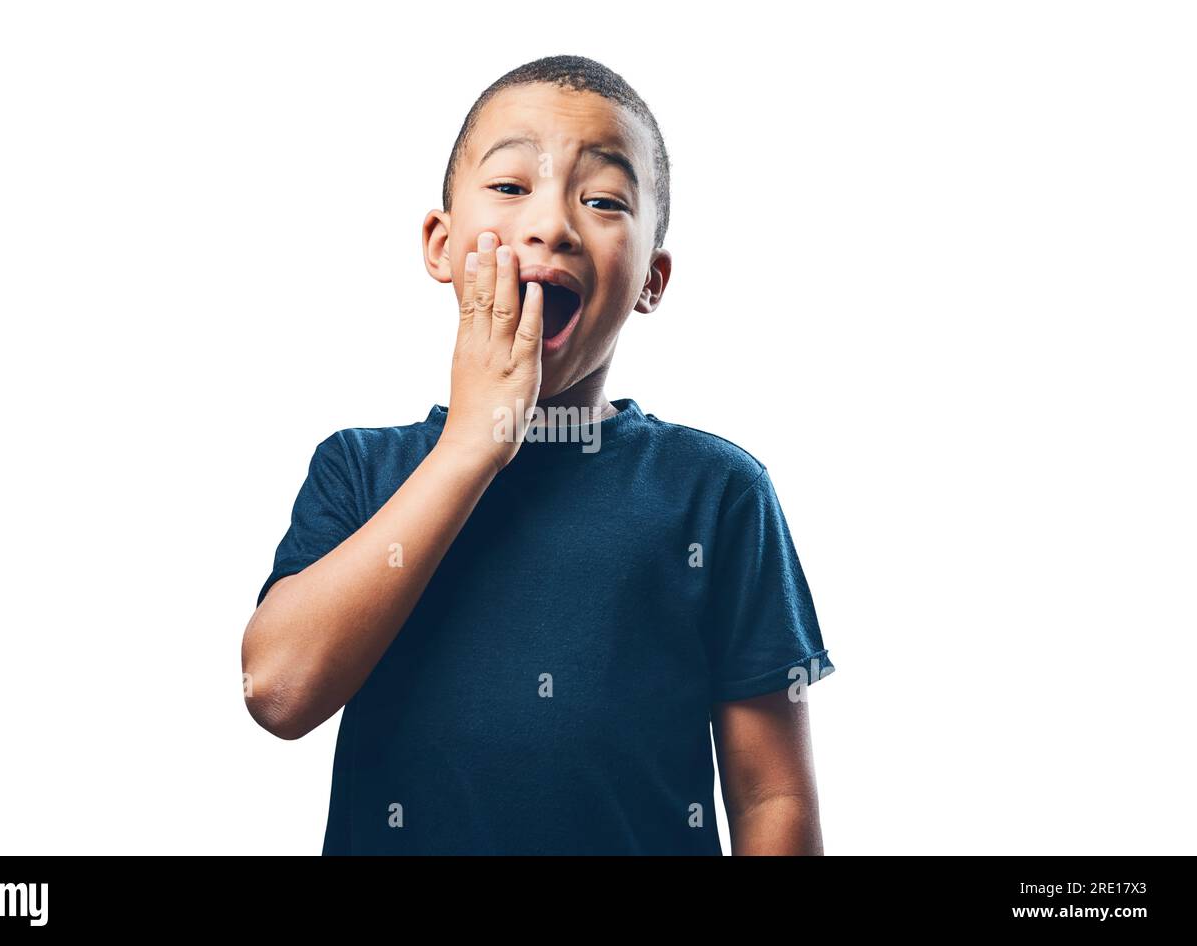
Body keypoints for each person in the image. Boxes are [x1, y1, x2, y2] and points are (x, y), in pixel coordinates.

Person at [242, 54, 835, 855]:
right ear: (441, 246)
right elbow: (277, 692)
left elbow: (773, 797)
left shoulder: (717, 493)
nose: (552, 224)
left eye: (601, 200)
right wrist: (472, 445)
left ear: (652, 279)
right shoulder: (360, 471)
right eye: (513, 187)